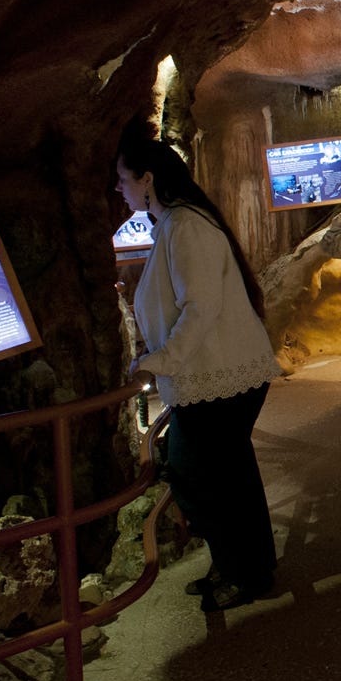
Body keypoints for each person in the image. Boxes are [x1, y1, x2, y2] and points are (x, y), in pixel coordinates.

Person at [116, 126, 280, 612]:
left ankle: (243, 571)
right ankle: (244, 568)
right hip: (217, 376)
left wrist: (157, 361)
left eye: (123, 180)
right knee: (226, 476)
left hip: (221, 378)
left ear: (147, 179)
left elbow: (200, 307)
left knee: (199, 474)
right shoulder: (176, 224)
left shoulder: (185, 227)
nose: (119, 190)